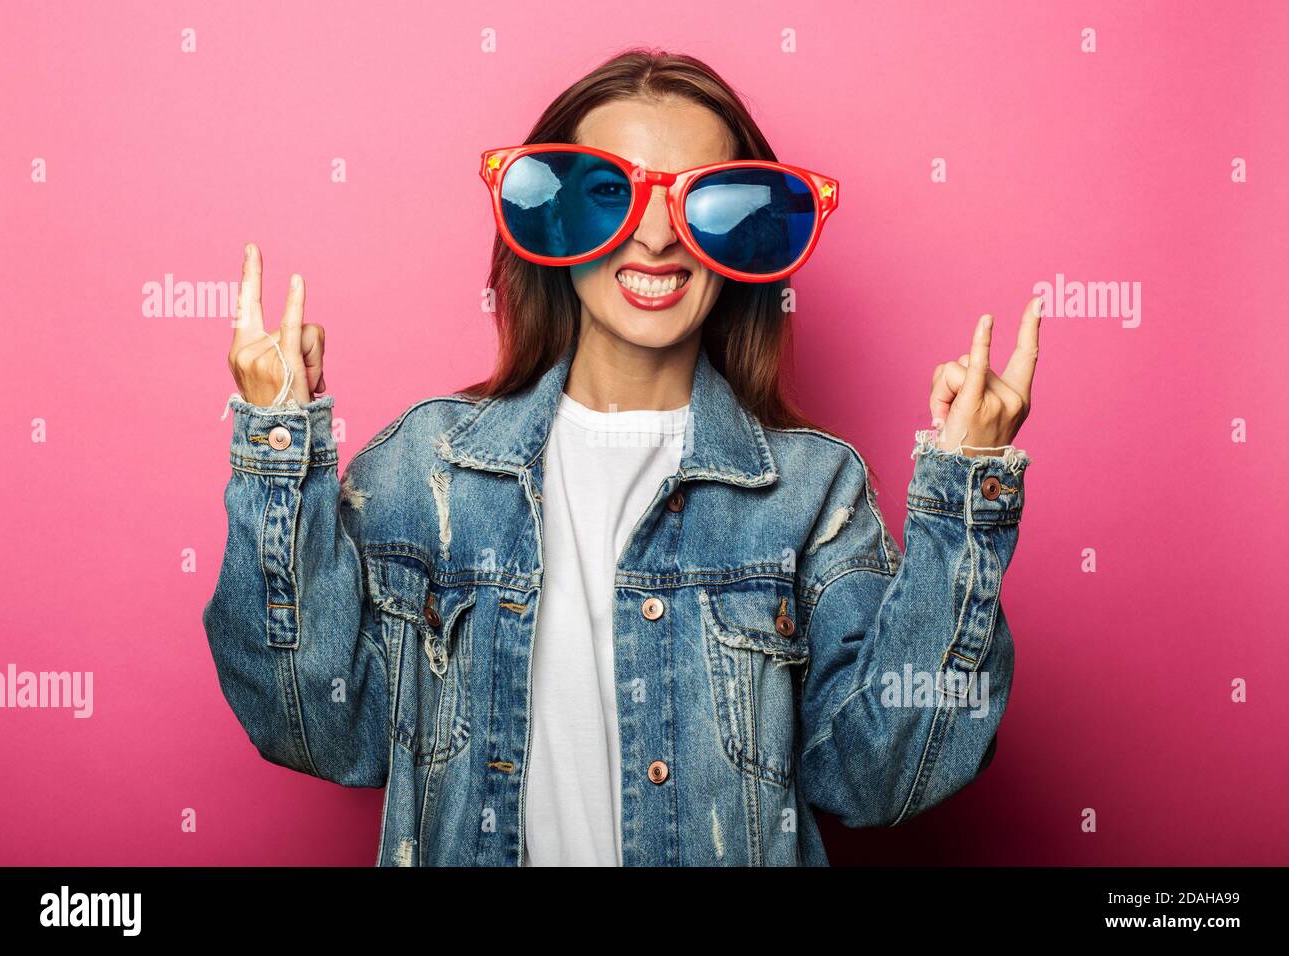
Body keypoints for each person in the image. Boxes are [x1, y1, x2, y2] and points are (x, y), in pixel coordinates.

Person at [203, 48, 1040, 867]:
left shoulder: (813, 491)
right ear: (554, 222)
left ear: (744, 238)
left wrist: (968, 504)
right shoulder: (430, 466)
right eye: (610, 195)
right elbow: (311, 722)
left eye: (703, 204)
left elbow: (880, 777)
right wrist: (279, 453)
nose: (653, 238)